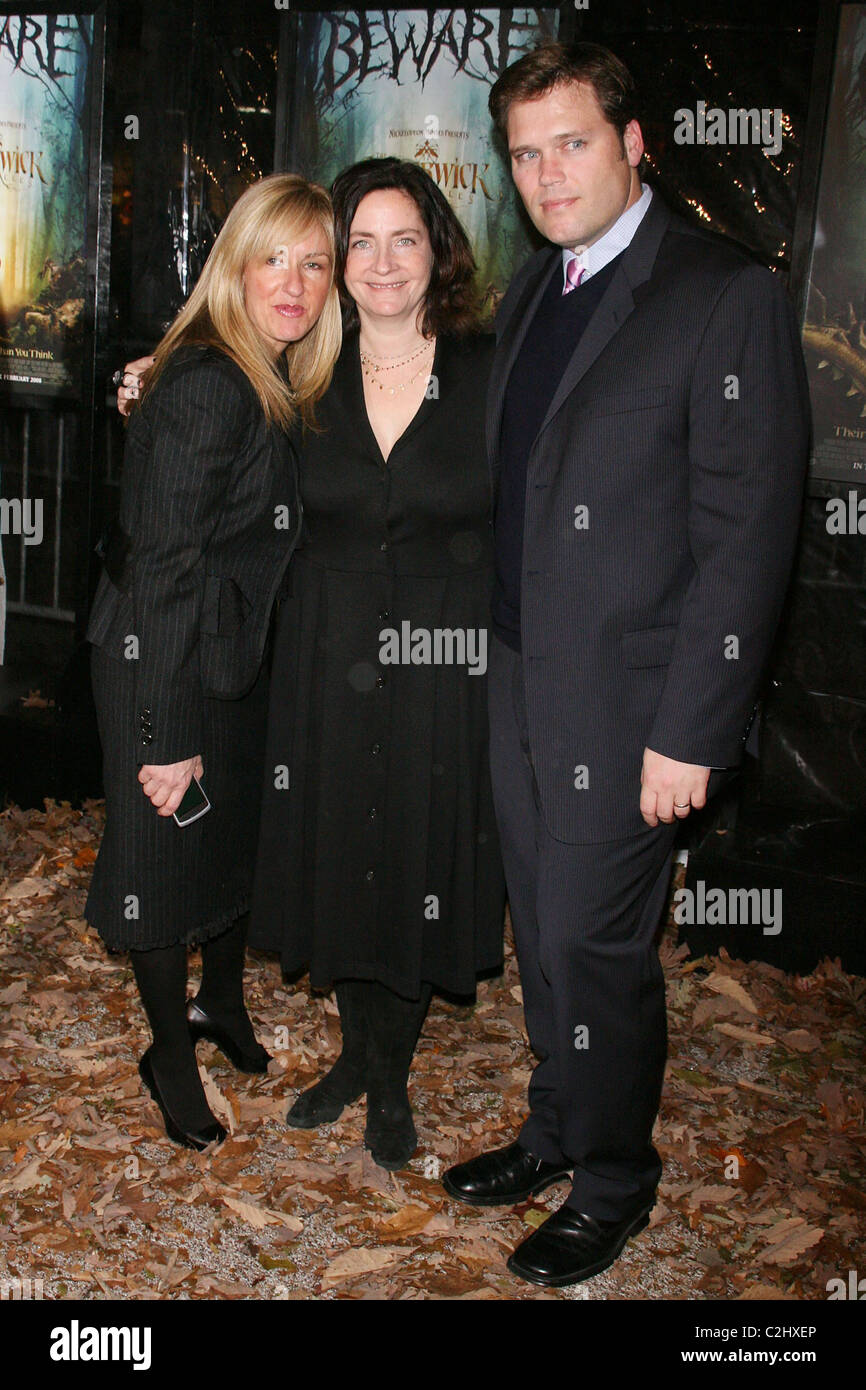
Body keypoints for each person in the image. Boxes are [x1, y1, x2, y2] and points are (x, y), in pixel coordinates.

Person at [442, 42, 810, 1286]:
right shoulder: (541, 287)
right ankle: (555, 1129)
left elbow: (748, 535)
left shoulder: (723, 293)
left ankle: (612, 1178)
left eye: (572, 143)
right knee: (541, 933)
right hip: (519, 675)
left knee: (596, 948)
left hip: (632, 706)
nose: (547, 173)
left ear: (633, 141)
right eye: (524, 153)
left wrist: (694, 729)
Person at [247, 158, 506, 1171]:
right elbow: (217, 392)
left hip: (447, 660)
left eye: (406, 238)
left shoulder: (489, 369)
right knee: (339, 852)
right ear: (336, 257)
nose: (383, 261)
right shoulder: (304, 369)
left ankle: (389, 1074)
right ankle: (356, 1052)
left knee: (411, 855)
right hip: (326, 649)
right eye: (361, 240)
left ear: (436, 247)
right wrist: (142, 381)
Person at [87, 174, 341, 1151]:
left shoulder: (265, 371)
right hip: (166, 660)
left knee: (228, 841)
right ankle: (168, 1054)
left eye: (313, 263)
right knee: (158, 860)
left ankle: (221, 1004)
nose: (293, 281)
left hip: (229, 650)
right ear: (232, 263)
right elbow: (159, 575)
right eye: (271, 257)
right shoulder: (209, 385)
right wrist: (168, 734)